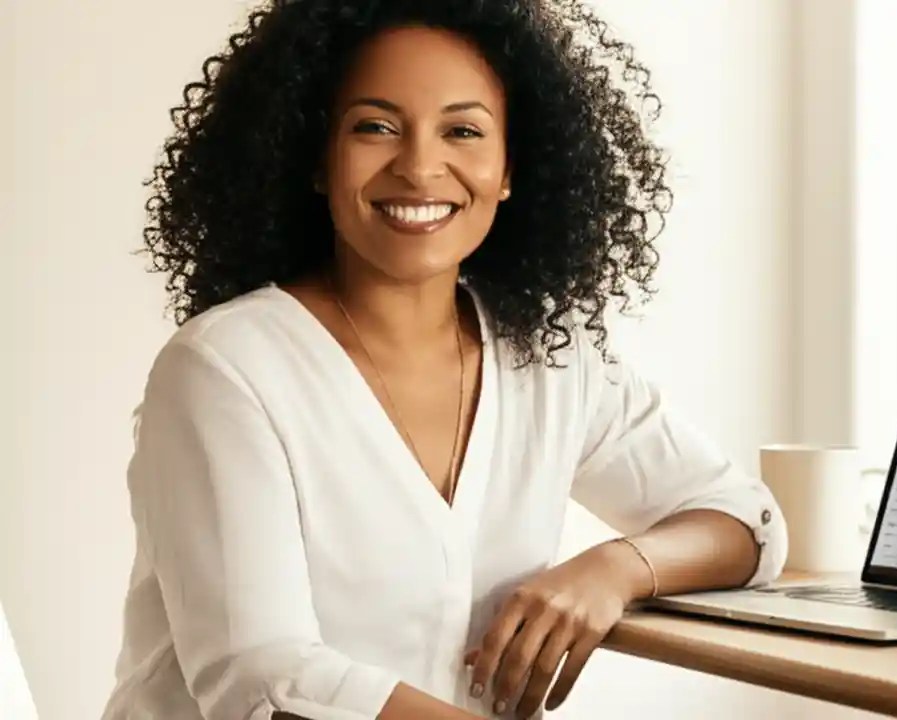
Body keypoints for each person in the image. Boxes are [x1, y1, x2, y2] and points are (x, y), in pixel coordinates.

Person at [102, 1, 787, 719]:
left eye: (462, 130)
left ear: (510, 169)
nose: (421, 166)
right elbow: (263, 677)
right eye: (375, 127)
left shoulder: (548, 358)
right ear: (314, 157)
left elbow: (744, 519)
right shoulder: (224, 368)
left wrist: (614, 568)